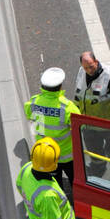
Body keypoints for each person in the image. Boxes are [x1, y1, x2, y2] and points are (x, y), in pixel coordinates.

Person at [73, 50, 110, 181]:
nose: (89, 70)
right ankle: (98, 169)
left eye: (91, 66)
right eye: (86, 67)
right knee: (94, 151)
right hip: (89, 125)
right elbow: (78, 95)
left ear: (96, 62)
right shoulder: (81, 72)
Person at [24, 67, 80, 196]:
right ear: (60, 86)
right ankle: (77, 204)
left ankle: (61, 200)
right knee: (75, 182)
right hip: (67, 155)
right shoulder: (67, 107)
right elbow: (79, 128)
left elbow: (29, 114)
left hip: (46, 154)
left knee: (55, 185)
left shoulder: (33, 102)